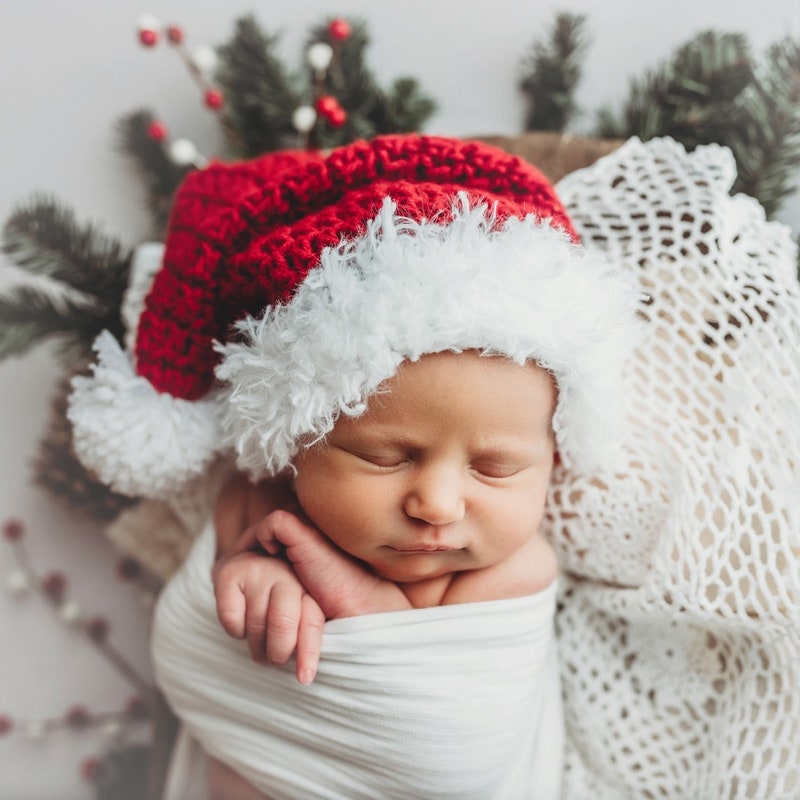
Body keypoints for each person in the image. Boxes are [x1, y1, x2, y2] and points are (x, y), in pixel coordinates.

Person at [69, 134, 800, 798]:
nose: (438, 504)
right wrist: (246, 575)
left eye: (495, 468)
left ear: (552, 462)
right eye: (386, 456)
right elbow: (201, 635)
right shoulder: (253, 496)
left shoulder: (518, 568)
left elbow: (452, 751)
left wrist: (353, 597)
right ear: (297, 440)